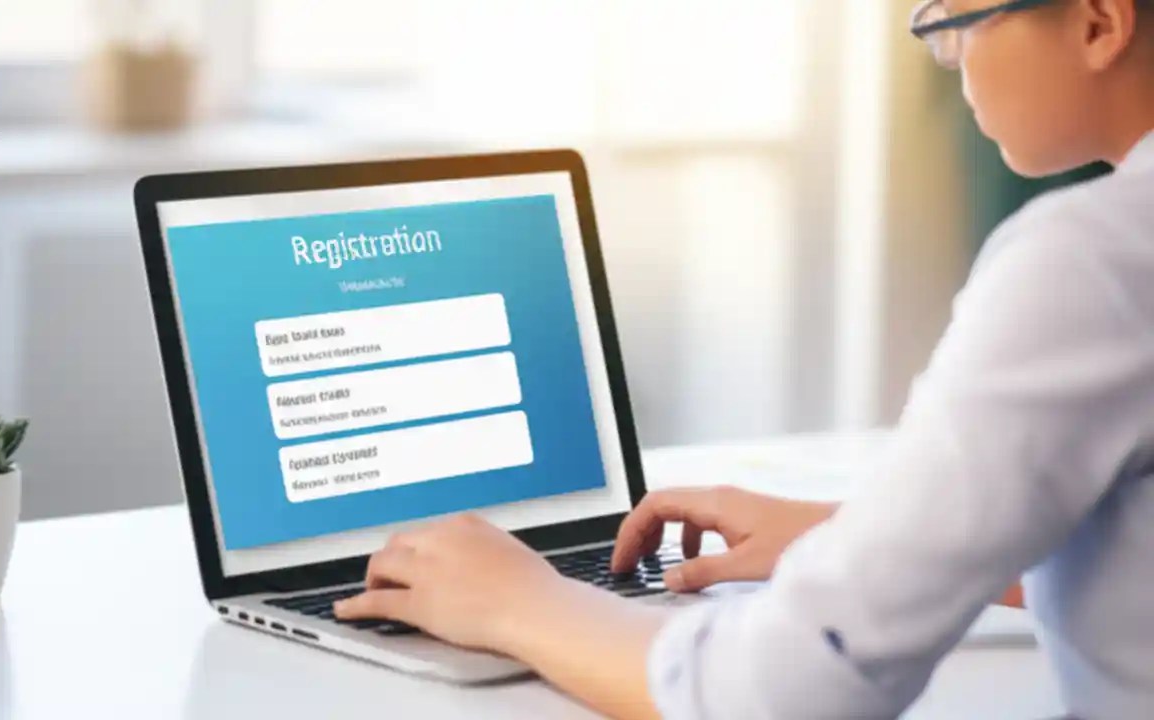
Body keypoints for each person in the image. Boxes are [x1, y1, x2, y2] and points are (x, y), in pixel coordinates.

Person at [335, 0, 1154, 716]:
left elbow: (779, 694)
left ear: (1097, 21)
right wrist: (858, 539)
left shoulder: (1090, 262)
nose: (952, 60)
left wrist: (519, 602)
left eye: (958, 22)